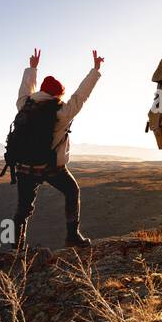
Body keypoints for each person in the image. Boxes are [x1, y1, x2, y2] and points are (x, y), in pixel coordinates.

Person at [12, 48, 103, 249]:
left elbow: (25, 88)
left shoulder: (24, 104)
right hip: (51, 167)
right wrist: (95, 71)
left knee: (22, 210)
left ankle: (14, 248)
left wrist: (32, 68)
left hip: (24, 167)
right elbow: (81, 95)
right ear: (57, 94)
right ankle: (72, 237)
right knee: (72, 191)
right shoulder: (61, 113)